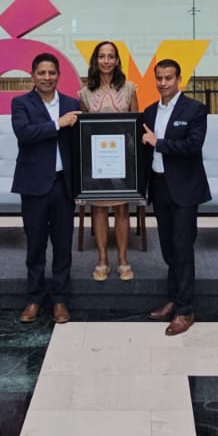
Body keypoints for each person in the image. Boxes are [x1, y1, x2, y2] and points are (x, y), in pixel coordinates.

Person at [139, 58, 210, 336]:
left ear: (179, 79)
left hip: (185, 189)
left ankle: (185, 310)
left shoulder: (195, 109)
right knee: (168, 247)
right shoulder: (148, 111)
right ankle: (173, 298)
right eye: (159, 78)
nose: (163, 83)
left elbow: (193, 145)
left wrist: (160, 143)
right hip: (159, 186)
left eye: (168, 78)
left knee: (183, 247)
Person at [10, 52, 82, 324]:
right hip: (33, 185)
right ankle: (34, 299)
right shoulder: (20, 103)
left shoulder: (72, 103)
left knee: (63, 245)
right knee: (35, 245)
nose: (47, 78)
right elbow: (24, 134)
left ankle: (60, 300)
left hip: (63, 184)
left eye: (52, 73)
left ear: (58, 76)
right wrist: (57, 124)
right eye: (42, 73)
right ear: (33, 76)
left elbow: (79, 145)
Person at [78, 41, 137, 283]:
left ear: (117, 60)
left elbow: (136, 123)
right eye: (101, 56)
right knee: (99, 209)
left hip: (123, 161)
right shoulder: (84, 93)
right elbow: (83, 131)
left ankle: (123, 259)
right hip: (97, 162)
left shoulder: (130, 88)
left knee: (122, 209)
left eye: (110, 56)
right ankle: (102, 258)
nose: (106, 61)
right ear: (95, 60)